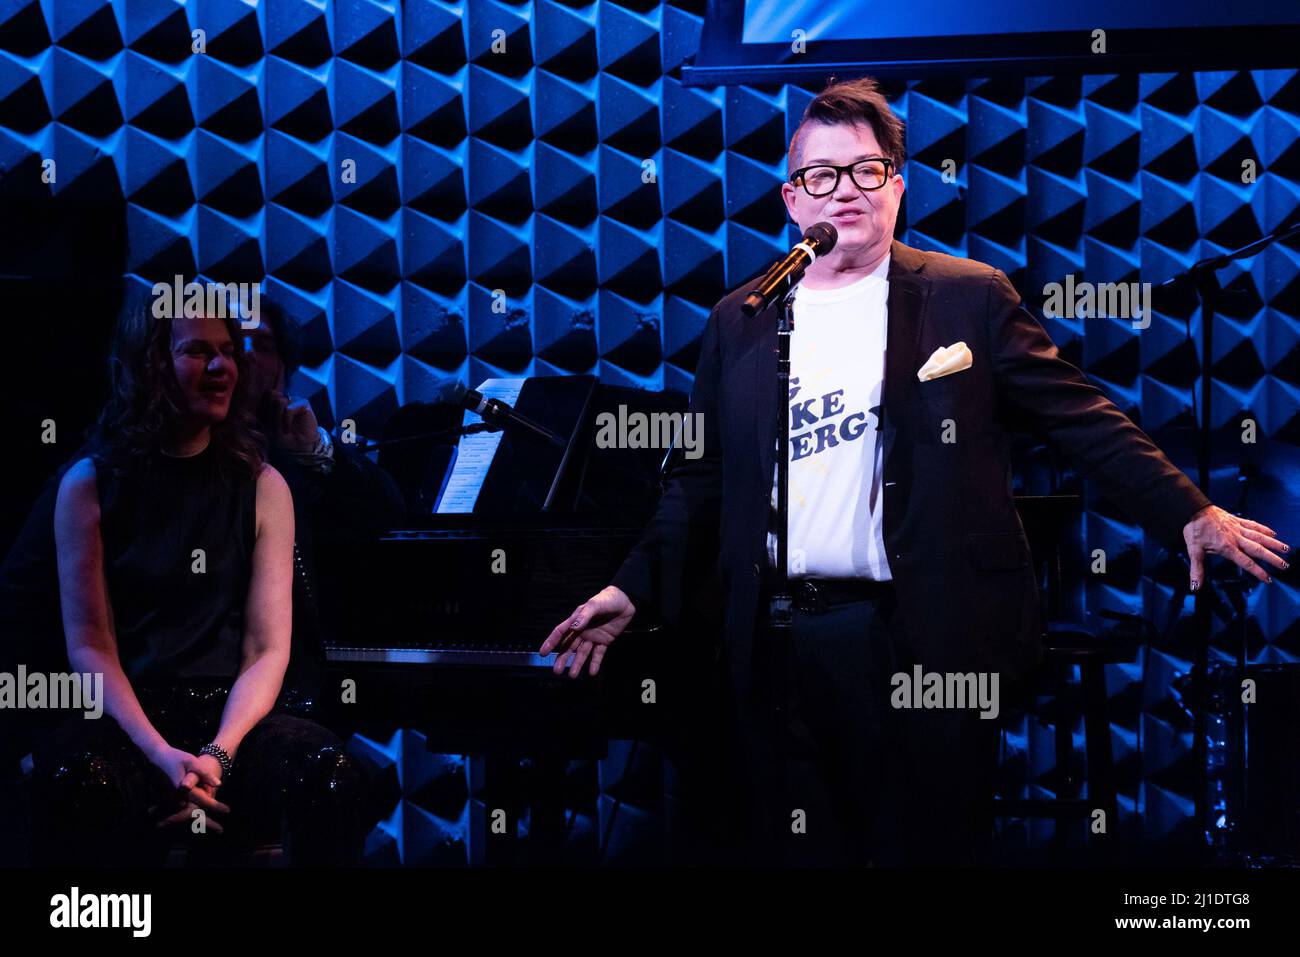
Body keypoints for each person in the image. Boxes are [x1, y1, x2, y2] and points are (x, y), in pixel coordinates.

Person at [541, 75, 1291, 866]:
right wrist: (631, 587)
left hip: (920, 638)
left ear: (896, 188)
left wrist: (1187, 508)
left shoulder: (969, 299)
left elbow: (1082, 420)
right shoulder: (744, 317)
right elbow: (697, 481)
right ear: (792, 199)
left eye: (867, 171)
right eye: (821, 175)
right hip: (774, 640)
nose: (846, 192)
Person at [30, 303, 369, 866]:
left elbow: (267, 650)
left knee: (328, 772)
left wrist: (217, 754)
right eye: (197, 351)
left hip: (235, 720)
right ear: (149, 366)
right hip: (130, 719)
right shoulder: (88, 486)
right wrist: (162, 755)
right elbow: (91, 647)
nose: (222, 367)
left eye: (228, 352)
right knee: (77, 778)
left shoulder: (264, 485)